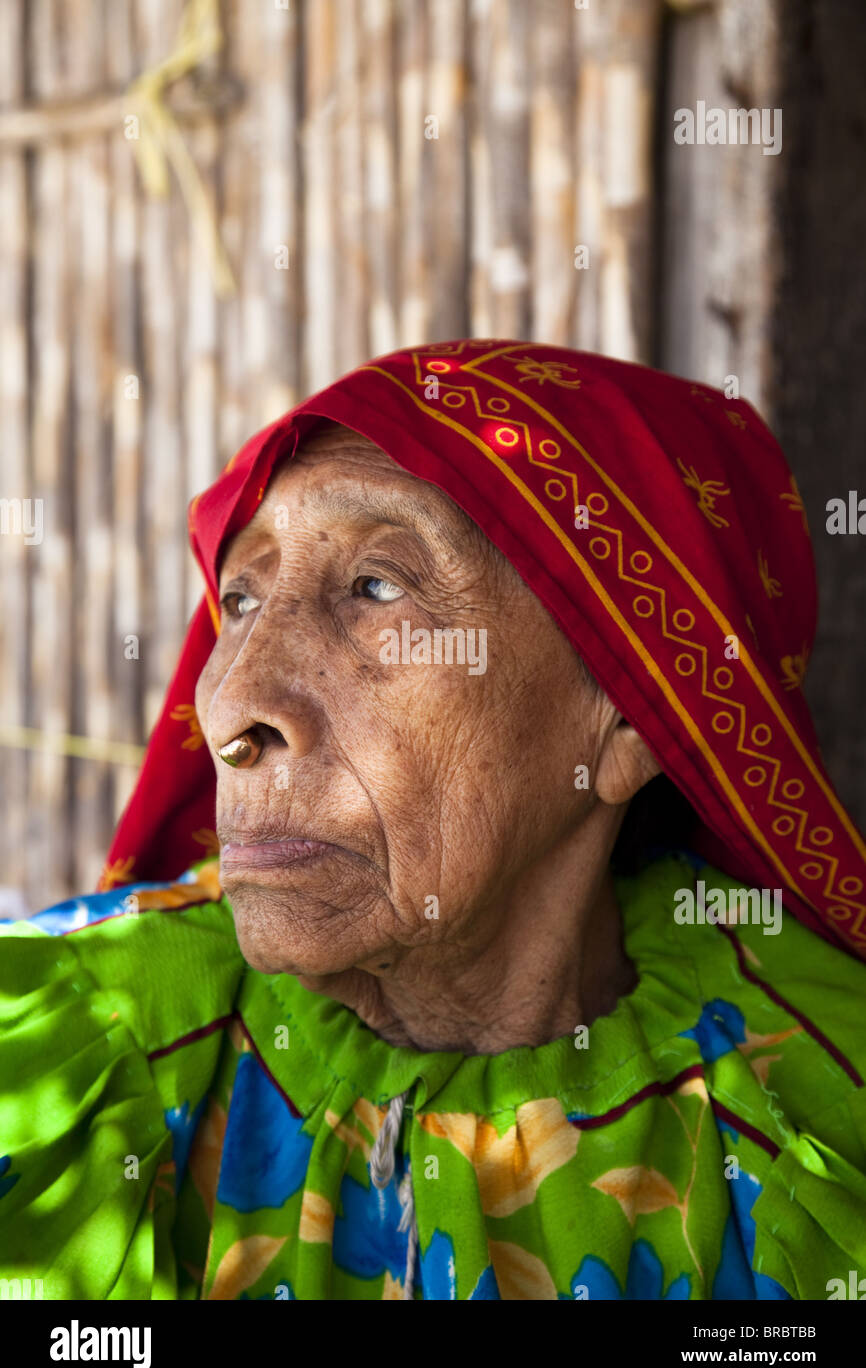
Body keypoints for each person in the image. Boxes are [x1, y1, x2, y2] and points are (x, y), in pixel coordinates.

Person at [2, 339, 865, 1301]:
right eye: (239, 600)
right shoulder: (64, 1058)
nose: (232, 704)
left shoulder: (817, 1114)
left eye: (376, 587)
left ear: (631, 711)